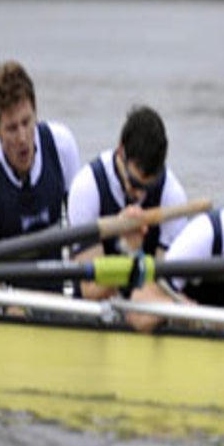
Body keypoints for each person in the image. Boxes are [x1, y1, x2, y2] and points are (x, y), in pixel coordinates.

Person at [67, 105, 189, 300]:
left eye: (148, 189)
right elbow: (90, 291)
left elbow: (165, 290)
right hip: (93, 310)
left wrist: (134, 253)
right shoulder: (87, 188)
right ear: (121, 151)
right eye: (134, 183)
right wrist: (128, 251)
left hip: (145, 307)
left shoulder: (172, 196)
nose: (139, 195)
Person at [0, 61, 80, 264]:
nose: (22, 138)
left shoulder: (61, 145)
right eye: (12, 128)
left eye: (26, 122)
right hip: (4, 294)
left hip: (56, 290)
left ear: (36, 113)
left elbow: (82, 238)